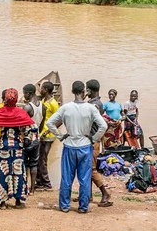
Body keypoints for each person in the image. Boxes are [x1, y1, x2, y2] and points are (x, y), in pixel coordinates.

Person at [46, 81, 108, 214]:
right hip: (85, 146)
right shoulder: (91, 108)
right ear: (84, 92)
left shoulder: (66, 107)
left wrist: (60, 136)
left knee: (67, 178)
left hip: (69, 145)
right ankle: (83, 206)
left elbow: (50, 123)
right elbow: (103, 126)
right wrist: (94, 138)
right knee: (84, 178)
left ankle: (64, 206)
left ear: (72, 92)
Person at [0, 88, 37, 209]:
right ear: (16, 100)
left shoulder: (0, 112)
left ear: (5, 99)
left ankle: (1, 202)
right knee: (19, 173)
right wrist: (26, 139)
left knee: (3, 173)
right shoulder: (21, 113)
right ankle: (19, 201)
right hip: (18, 147)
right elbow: (34, 128)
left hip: (4, 146)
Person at [85, 79, 113, 207]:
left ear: (90, 90)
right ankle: (88, 195)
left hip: (92, 140)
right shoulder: (96, 103)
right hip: (93, 139)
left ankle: (105, 193)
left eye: (87, 89)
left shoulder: (94, 105)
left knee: (91, 169)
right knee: (88, 168)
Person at [35, 81, 60, 190]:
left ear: (45, 90)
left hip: (48, 135)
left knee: (43, 159)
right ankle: (39, 182)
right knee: (39, 158)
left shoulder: (53, 103)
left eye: (41, 88)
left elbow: (60, 120)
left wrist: (49, 130)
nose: (40, 90)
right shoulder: (44, 100)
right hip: (41, 133)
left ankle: (47, 184)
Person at [20, 84, 43, 188]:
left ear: (28, 93)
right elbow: (41, 125)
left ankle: (24, 187)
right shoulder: (43, 106)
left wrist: (21, 135)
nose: (24, 95)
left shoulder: (27, 107)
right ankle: (32, 189)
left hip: (27, 139)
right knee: (34, 164)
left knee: (24, 163)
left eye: (24, 93)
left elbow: (22, 125)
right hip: (36, 137)